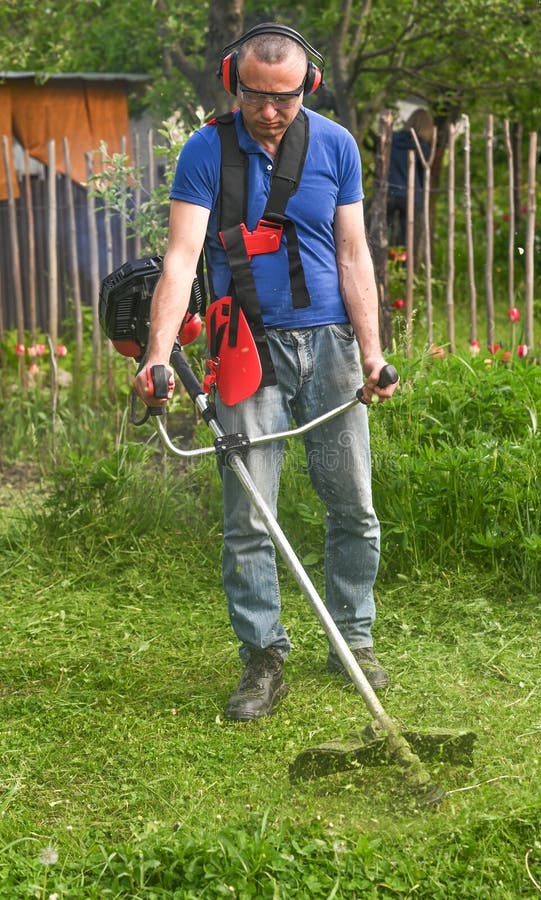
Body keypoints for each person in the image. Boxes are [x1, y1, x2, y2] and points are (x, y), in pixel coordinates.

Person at [134, 23, 398, 722]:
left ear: (307, 86)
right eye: (256, 96)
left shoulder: (336, 145)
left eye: (283, 98)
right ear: (234, 80)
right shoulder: (205, 149)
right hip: (242, 347)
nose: (270, 111)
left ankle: (353, 637)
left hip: (331, 348)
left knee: (354, 507)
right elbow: (183, 259)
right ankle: (263, 657)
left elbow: (351, 254)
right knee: (250, 514)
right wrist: (158, 355)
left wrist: (372, 353)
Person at [387, 108, 434, 251]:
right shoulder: (422, 147)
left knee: (380, 233)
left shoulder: (392, 139)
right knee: (408, 240)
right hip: (411, 196)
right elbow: (423, 174)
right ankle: (404, 267)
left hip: (389, 192)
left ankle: (380, 264)